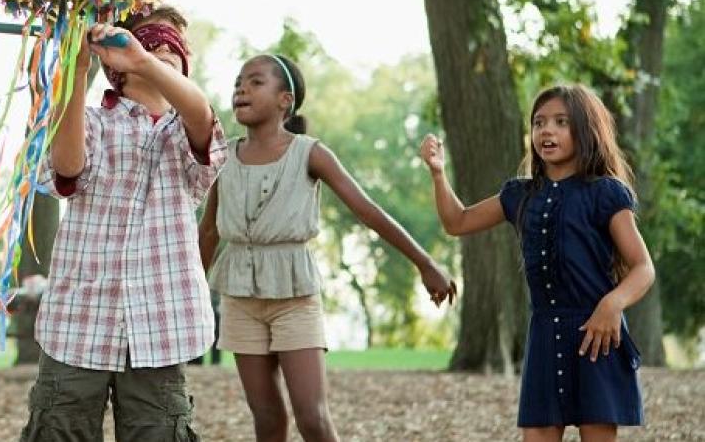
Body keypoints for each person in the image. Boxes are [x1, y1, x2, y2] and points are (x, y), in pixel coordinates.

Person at [200, 54, 455, 442]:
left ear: (285, 101)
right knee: (266, 419)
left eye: (255, 82)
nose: (241, 89)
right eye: (238, 82)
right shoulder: (223, 158)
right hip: (239, 297)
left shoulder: (310, 152)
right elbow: (208, 232)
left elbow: (367, 211)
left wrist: (425, 262)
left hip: (294, 297)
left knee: (313, 418)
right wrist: (188, 296)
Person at [20, 6, 227, 441]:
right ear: (116, 71)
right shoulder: (93, 121)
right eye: (146, 43)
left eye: (169, 51)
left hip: (162, 326)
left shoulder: (185, 129)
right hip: (77, 322)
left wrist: (142, 58)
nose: (155, 51)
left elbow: (202, 115)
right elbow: (68, 167)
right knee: (58, 428)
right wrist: (76, 71)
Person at [420, 83, 654, 441]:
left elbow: (642, 267)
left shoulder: (605, 192)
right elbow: (458, 222)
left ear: (586, 130)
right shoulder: (519, 194)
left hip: (598, 335)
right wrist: (438, 173)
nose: (547, 130)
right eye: (539, 122)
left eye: (561, 122)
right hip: (544, 336)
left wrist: (613, 304)